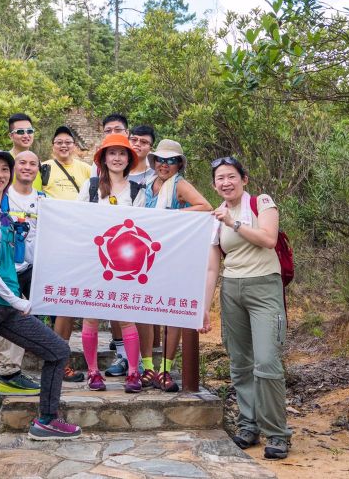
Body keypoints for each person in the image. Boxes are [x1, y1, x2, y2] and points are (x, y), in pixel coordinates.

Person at [0, 149, 81, 479]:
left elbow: (18, 261)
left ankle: (47, 420)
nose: (0, 174)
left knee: (57, 350)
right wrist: (16, 299)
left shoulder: (5, 215)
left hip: (6, 305)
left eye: (4, 169)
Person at [202, 156, 292, 460]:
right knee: (240, 362)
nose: (226, 183)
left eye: (231, 176)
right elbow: (213, 269)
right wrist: (204, 307)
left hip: (264, 287)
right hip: (232, 289)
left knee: (266, 362)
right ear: (214, 185)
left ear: (244, 179)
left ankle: (277, 434)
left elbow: (268, 239)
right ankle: (248, 425)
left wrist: (234, 223)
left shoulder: (262, 203)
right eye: (220, 179)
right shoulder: (217, 217)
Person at [137, 139, 212, 393]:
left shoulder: (179, 185)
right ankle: (147, 366)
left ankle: (165, 368)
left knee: (170, 311)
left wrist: (173, 217)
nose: (164, 165)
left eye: (170, 161)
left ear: (178, 164)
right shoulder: (148, 184)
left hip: (173, 255)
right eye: (160, 159)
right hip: (146, 256)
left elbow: (205, 207)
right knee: (144, 310)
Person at [76, 133, 146, 393]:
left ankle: (132, 373)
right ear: (103, 158)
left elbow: (140, 228)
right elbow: (76, 219)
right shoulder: (91, 187)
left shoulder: (137, 191)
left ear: (129, 159)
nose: (117, 158)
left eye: (122, 153)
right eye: (112, 153)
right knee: (91, 317)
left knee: (127, 317)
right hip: (94, 260)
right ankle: (93, 372)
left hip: (124, 262)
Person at [0, 151, 43, 418]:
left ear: (39, 169)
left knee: (21, 324)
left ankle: (11, 374)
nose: (27, 168)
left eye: (33, 164)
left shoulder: (44, 200)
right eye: (22, 163)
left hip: (30, 269)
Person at [41, 125, 92, 383]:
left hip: (81, 241)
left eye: (68, 142)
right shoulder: (44, 168)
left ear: (75, 145)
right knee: (55, 300)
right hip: (52, 242)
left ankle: (61, 358)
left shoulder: (85, 169)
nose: (63, 146)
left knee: (69, 302)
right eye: (59, 142)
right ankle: (51, 354)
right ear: (53, 145)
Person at [7, 112, 42, 190]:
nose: (26, 135)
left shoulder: (38, 163)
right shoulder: (5, 161)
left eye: (29, 131)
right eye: (20, 132)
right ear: (11, 136)